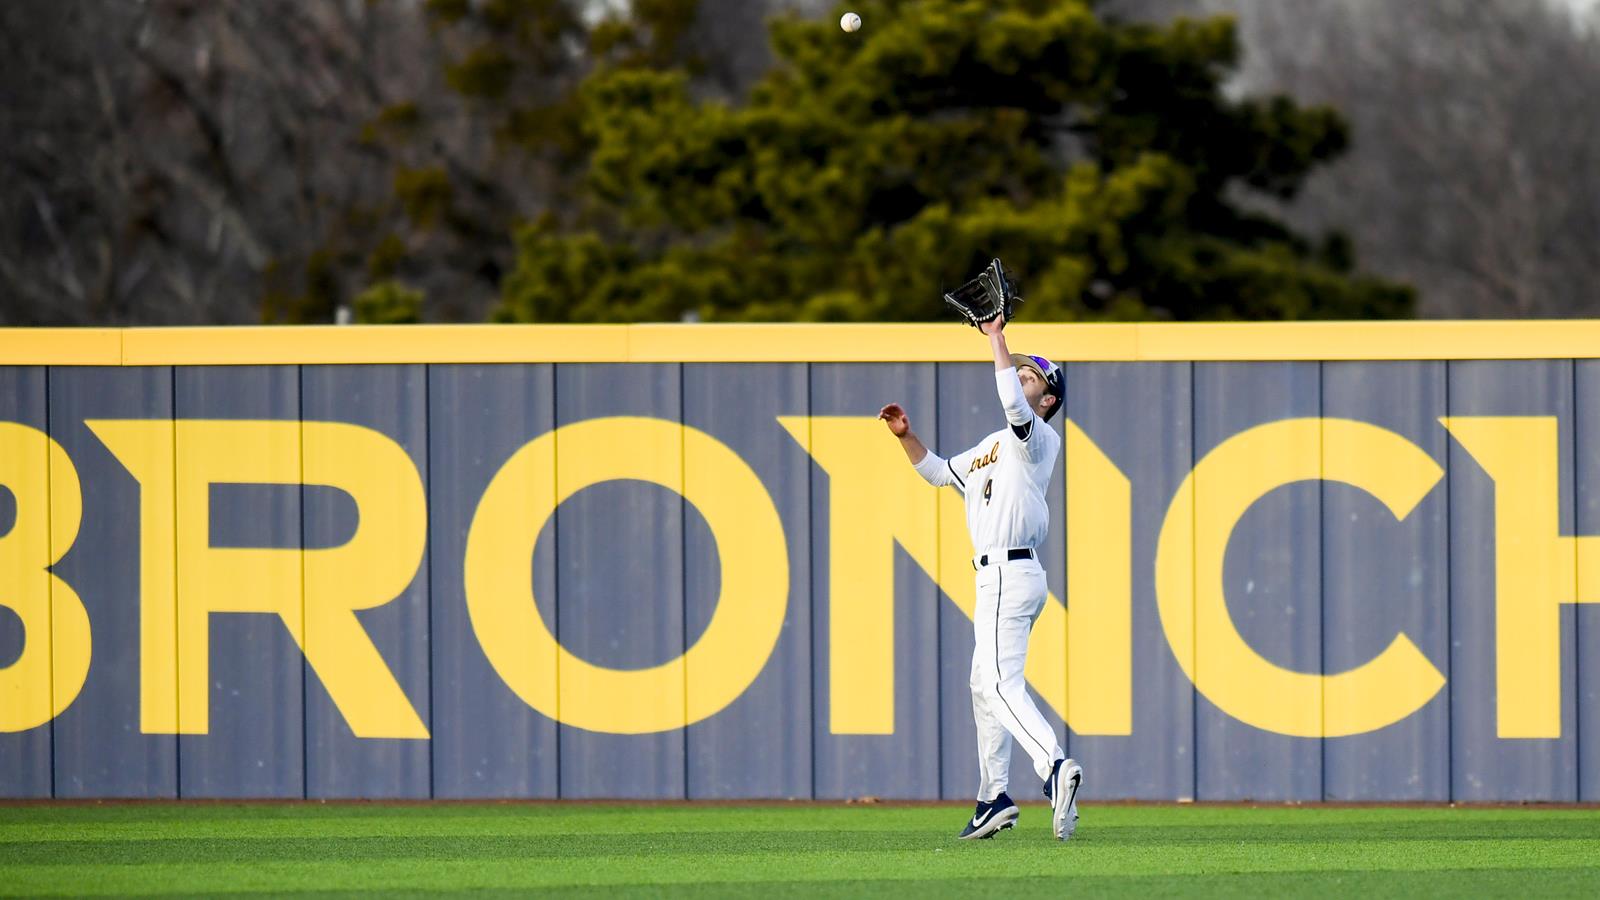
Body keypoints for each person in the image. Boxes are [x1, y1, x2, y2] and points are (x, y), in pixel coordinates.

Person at [877, 310, 1083, 841]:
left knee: (997, 682)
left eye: (1030, 375)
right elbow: (939, 473)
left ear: (1048, 400)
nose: (1018, 376)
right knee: (982, 685)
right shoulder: (994, 445)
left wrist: (996, 337)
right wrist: (907, 436)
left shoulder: (1035, 437)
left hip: (1009, 571)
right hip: (999, 576)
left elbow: (1013, 403)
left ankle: (1054, 766)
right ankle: (993, 798)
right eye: (1017, 369)